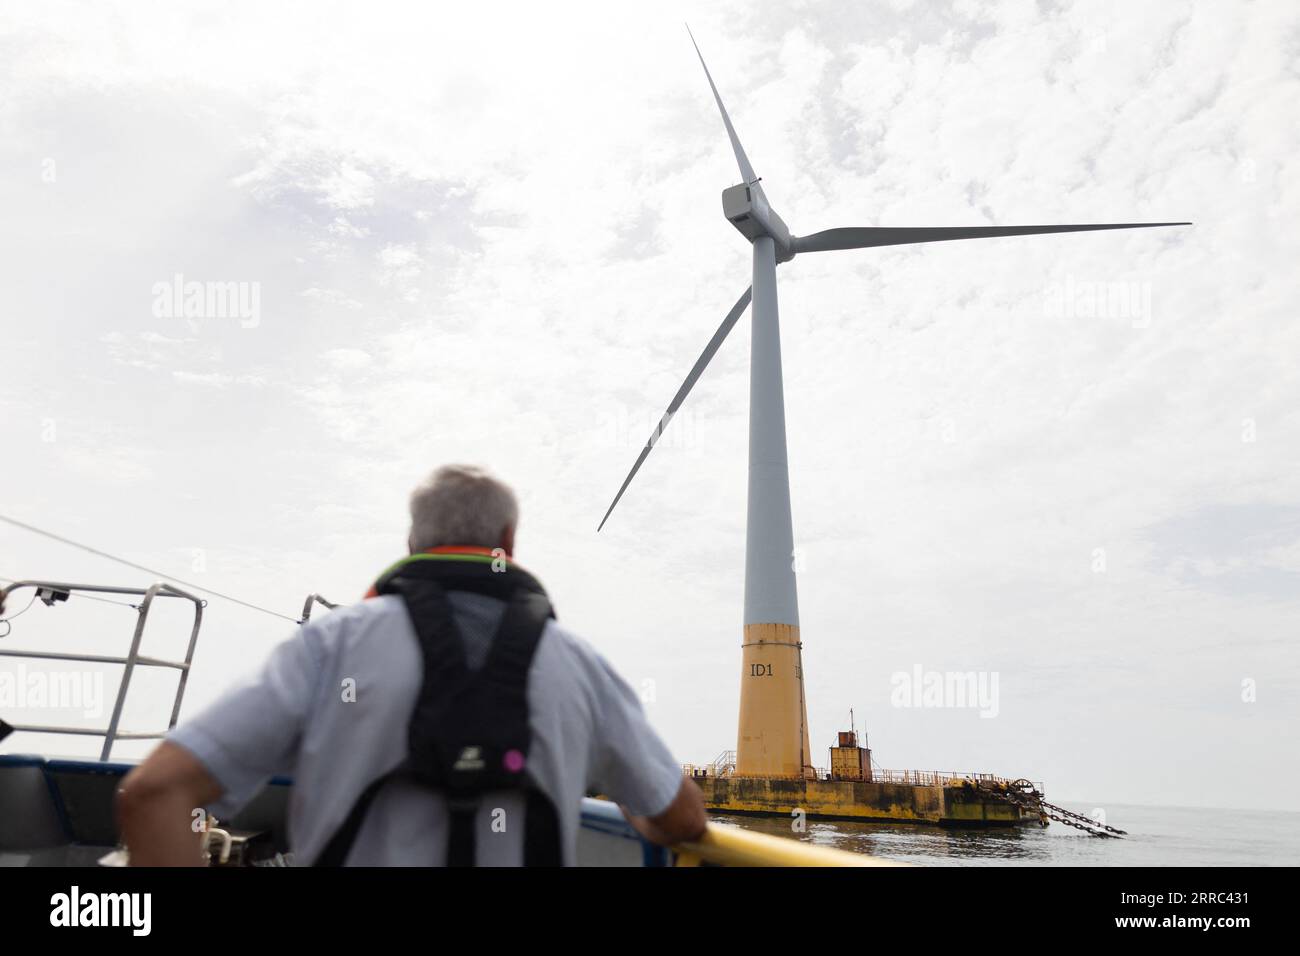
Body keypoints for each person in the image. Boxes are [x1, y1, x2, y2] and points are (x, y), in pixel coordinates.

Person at [116, 464, 705, 865]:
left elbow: (154, 792)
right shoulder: (581, 666)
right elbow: (681, 820)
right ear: (508, 539)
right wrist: (631, 799)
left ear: (413, 541)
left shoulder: (331, 646)